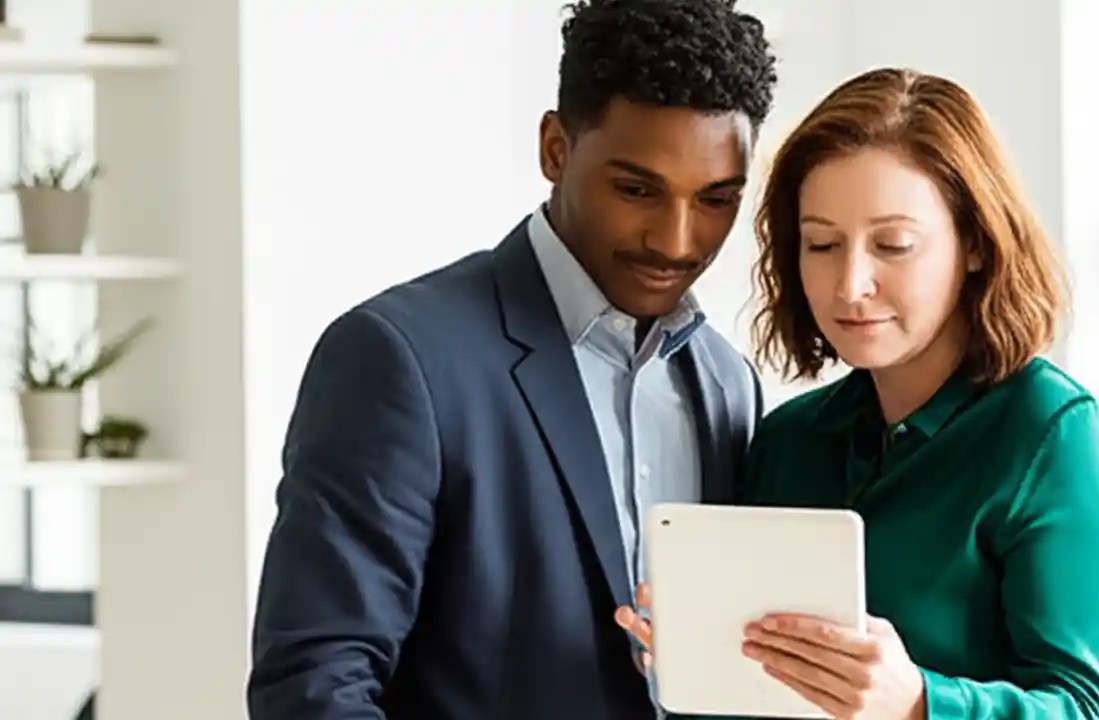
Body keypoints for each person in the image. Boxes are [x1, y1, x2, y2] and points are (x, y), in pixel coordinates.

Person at [247, 1, 777, 718]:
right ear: (555, 147)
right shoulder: (398, 358)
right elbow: (315, 684)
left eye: (716, 199)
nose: (676, 241)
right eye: (635, 189)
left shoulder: (726, 383)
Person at [618, 67, 1099, 719]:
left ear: (976, 244)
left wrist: (923, 703)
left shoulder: (1059, 440)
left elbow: (1086, 709)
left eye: (893, 244)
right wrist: (702, 663)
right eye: (822, 244)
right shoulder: (790, 440)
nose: (850, 284)